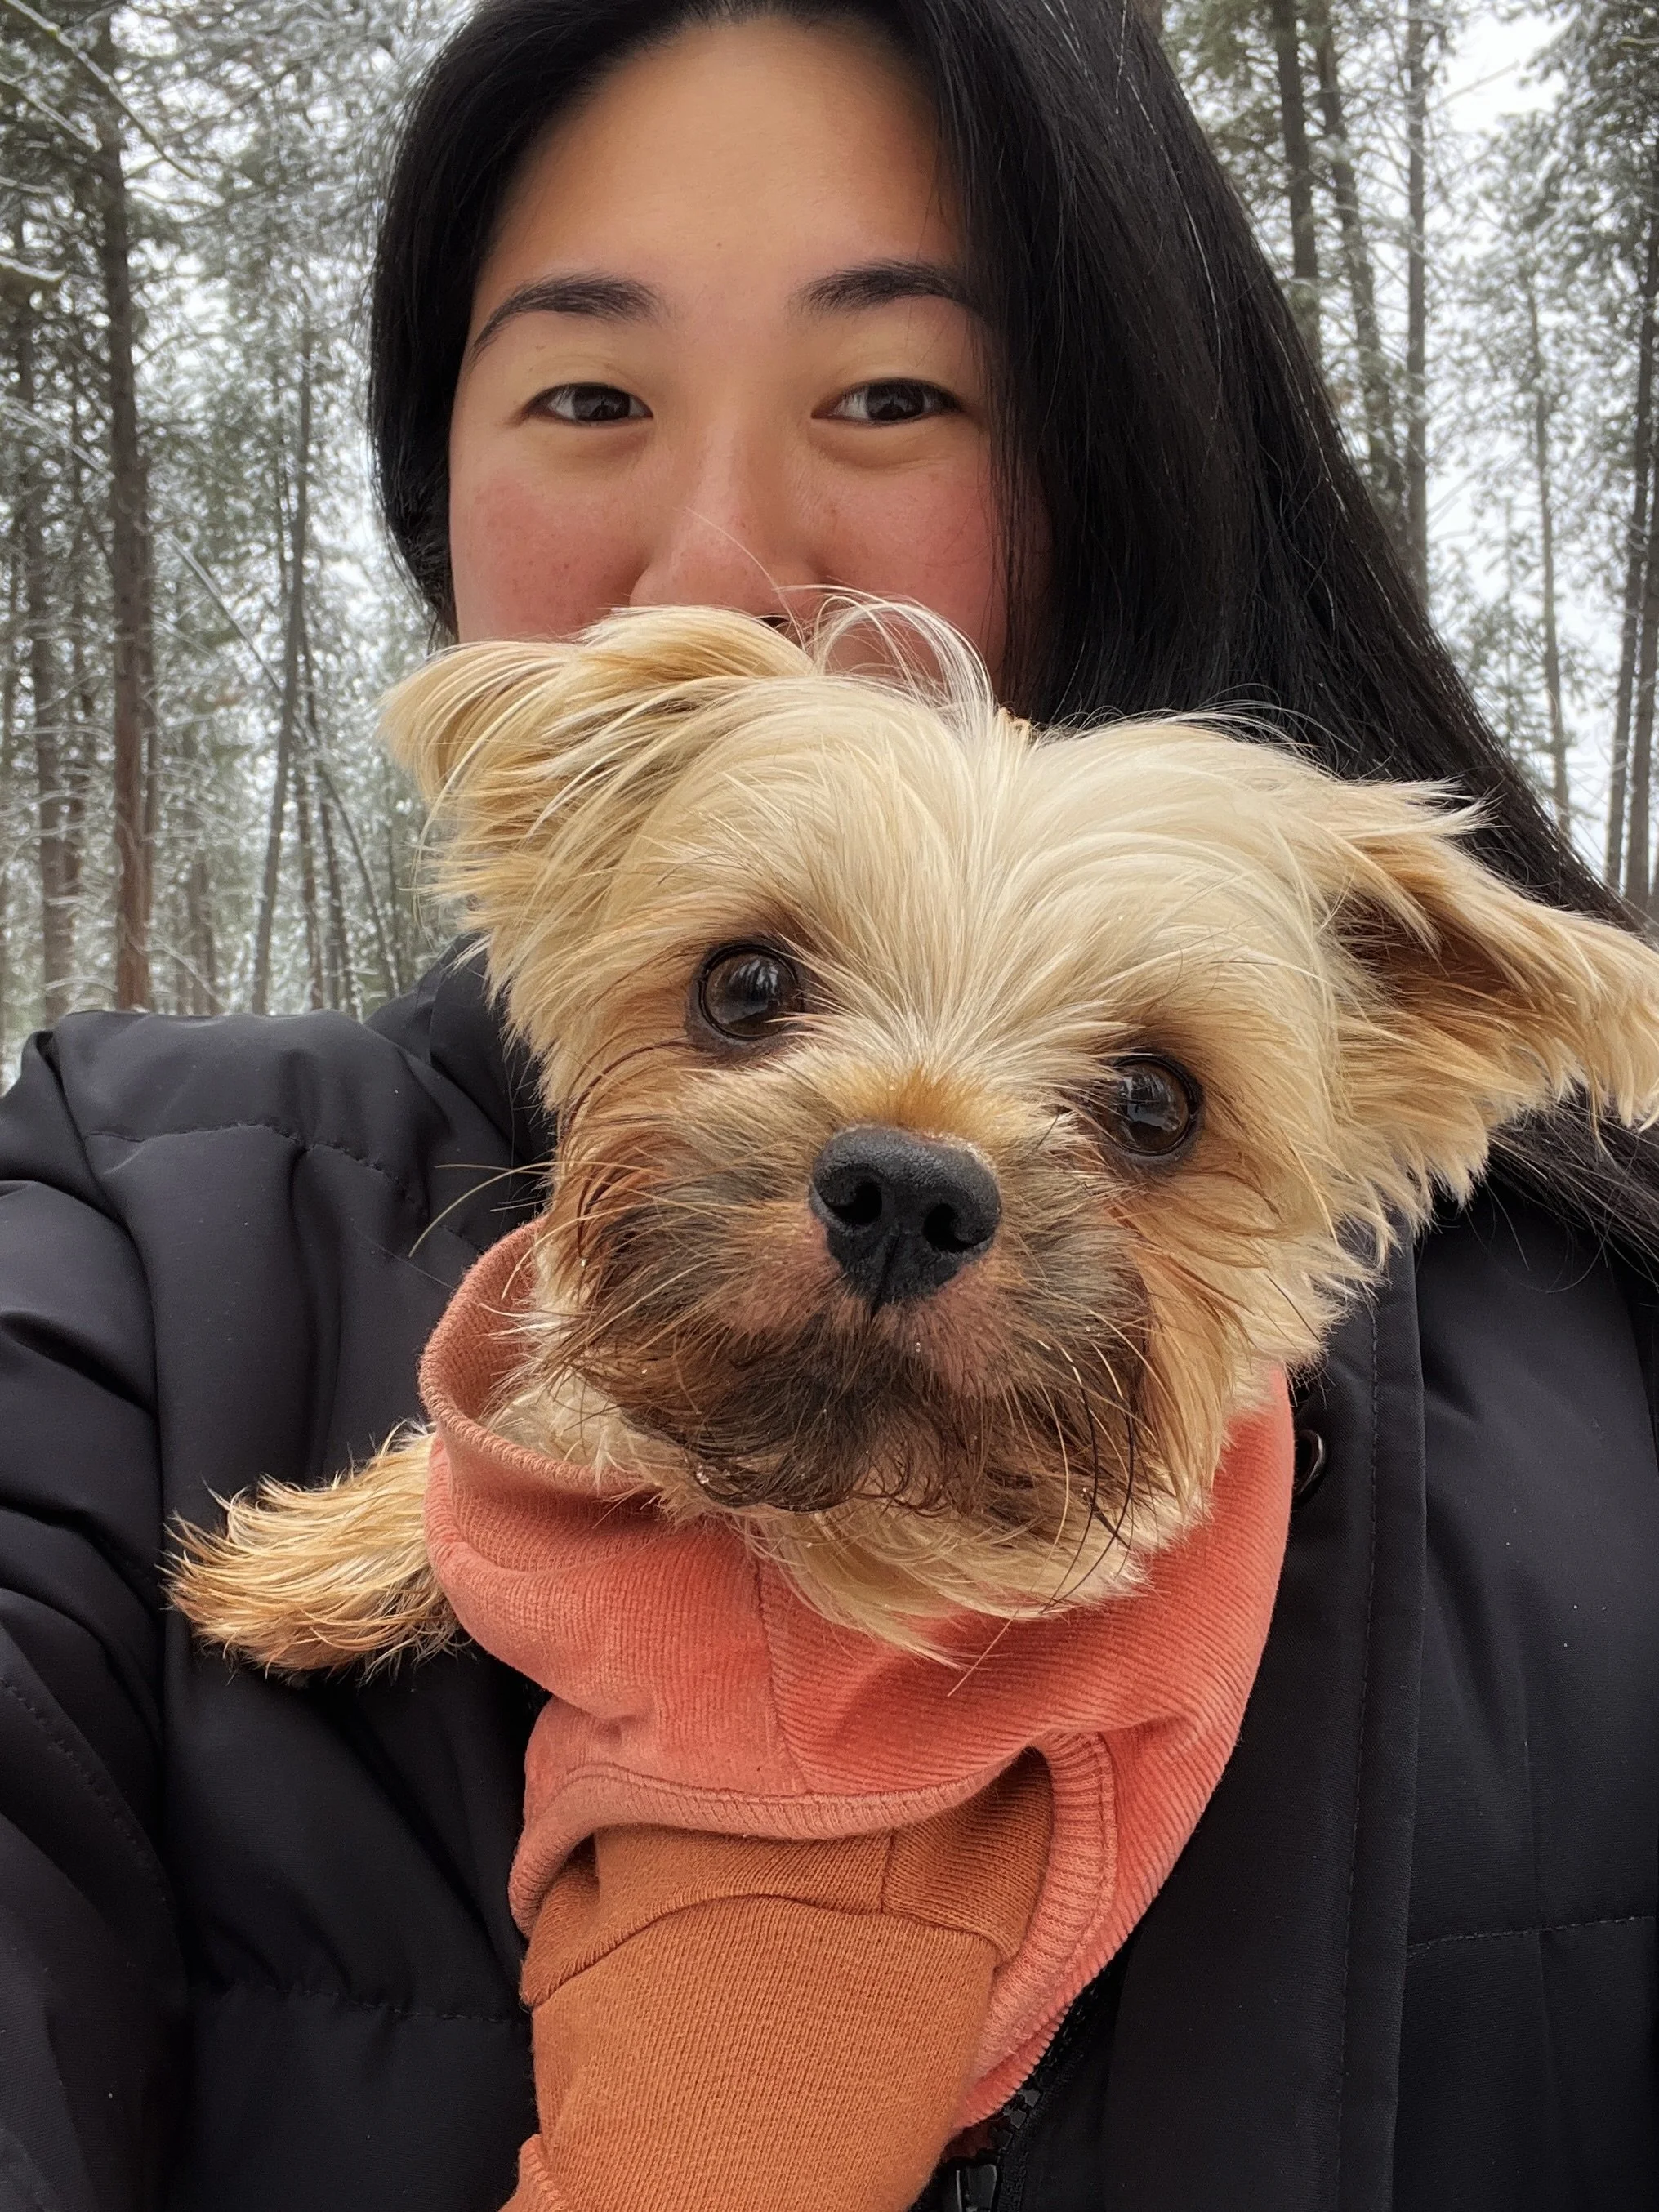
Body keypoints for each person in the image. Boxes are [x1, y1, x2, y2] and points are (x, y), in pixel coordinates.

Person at [2, 2, 1654, 2207]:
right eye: (754, 989)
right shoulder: (115, 1222)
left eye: (1142, 1102)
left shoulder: (1593, 1416)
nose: (715, 552)